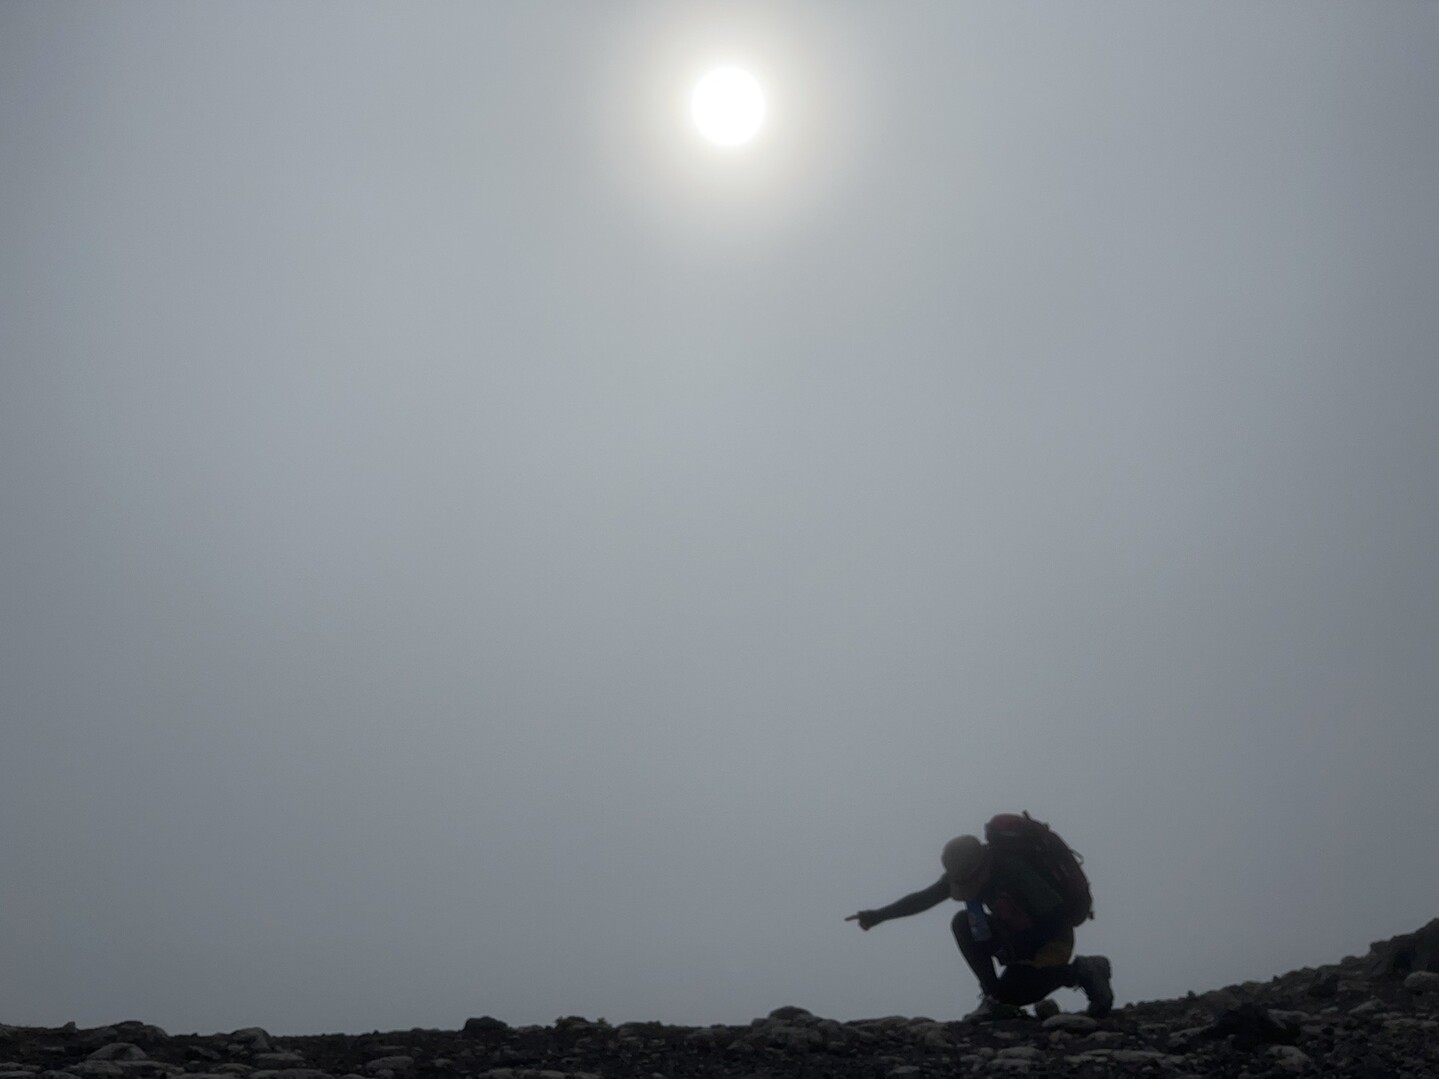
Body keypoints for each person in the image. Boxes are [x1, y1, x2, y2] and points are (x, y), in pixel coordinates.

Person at [847, 833, 1114, 1020]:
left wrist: (1017, 946)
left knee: (1015, 993)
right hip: (1015, 934)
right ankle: (993, 999)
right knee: (962, 923)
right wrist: (878, 915)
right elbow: (924, 898)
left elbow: (1056, 917)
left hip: (1053, 940)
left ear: (983, 865)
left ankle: (1082, 971)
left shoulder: (1014, 869)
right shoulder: (968, 869)